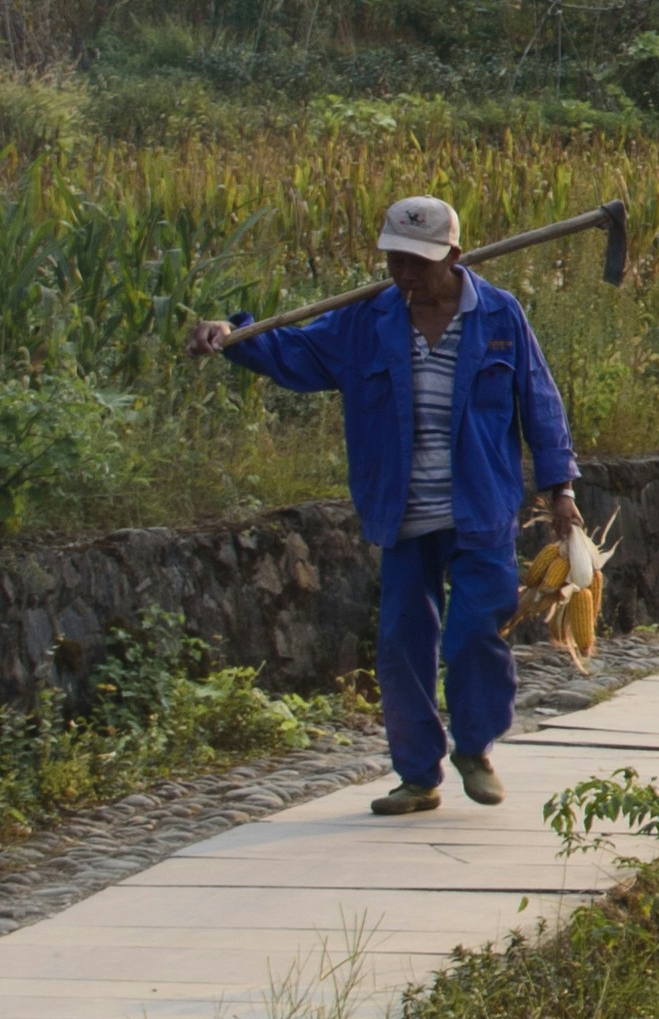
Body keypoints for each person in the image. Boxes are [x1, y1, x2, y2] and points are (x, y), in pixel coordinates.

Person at [189, 195, 582, 817]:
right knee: (402, 641)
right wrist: (235, 337)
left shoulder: (499, 316)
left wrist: (559, 488)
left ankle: (475, 747)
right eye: (395, 259)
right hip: (399, 509)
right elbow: (296, 355)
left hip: (479, 506)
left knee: (476, 628)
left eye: (418, 261)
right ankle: (416, 776)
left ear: (453, 255)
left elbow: (540, 400)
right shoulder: (365, 321)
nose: (404, 272)